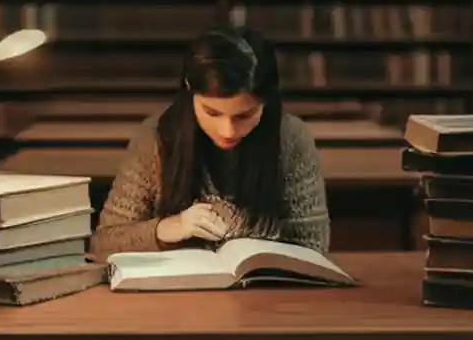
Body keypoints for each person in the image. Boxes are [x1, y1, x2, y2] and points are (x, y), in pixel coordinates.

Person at [88, 25, 329, 260]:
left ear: (267, 101)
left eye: (244, 115)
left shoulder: (290, 138)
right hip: (174, 293)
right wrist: (166, 229)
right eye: (212, 113)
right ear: (189, 89)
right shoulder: (157, 137)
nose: (227, 130)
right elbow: (104, 244)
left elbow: (313, 243)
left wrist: (232, 221)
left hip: (265, 293)